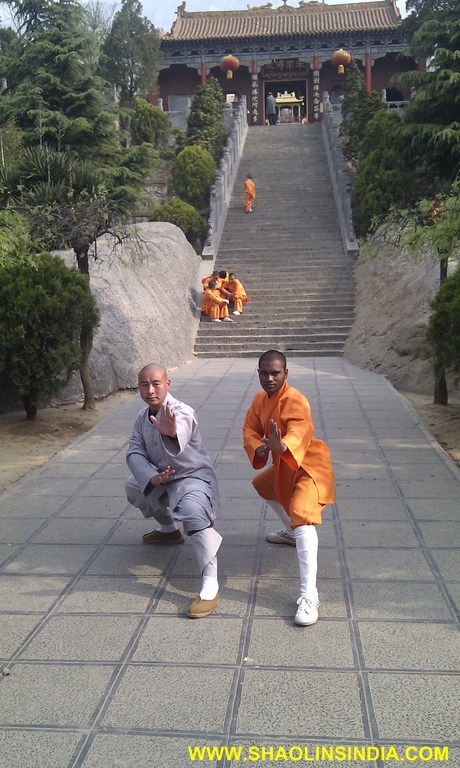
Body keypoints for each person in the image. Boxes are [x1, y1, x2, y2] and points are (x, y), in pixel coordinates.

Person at [243, 350, 335, 626]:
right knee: (262, 483)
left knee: (303, 516)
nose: (269, 378)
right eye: (264, 372)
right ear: (258, 373)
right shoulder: (260, 399)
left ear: (285, 373)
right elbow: (249, 429)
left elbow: (301, 428)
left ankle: (309, 595)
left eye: (275, 373)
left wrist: (283, 445)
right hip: (284, 466)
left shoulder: (294, 399)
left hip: (308, 465)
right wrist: (261, 447)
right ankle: (292, 533)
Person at [125, 363, 223, 618]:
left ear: (167, 384)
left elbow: (181, 428)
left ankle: (210, 585)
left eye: (156, 383)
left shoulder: (181, 411)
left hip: (192, 478)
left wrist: (170, 433)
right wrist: (151, 477)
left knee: (193, 513)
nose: (150, 390)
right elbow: (135, 451)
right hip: (162, 478)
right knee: (134, 486)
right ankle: (169, 531)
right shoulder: (140, 418)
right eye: (144, 385)